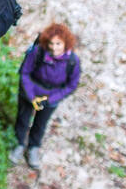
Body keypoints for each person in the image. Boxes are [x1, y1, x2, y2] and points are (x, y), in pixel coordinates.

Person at [10, 23, 81, 169]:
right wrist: (31, 96)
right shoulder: (37, 52)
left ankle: (33, 147)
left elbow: (71, 85)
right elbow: (25, 72)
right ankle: (19, 144)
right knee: (23, 118)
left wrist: (52, 98)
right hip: (30, 90)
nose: (54, 48)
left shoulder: (73, 61)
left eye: (58, 44)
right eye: (51, 43)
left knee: (41, 123)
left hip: (51, 96)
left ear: (65, 43)